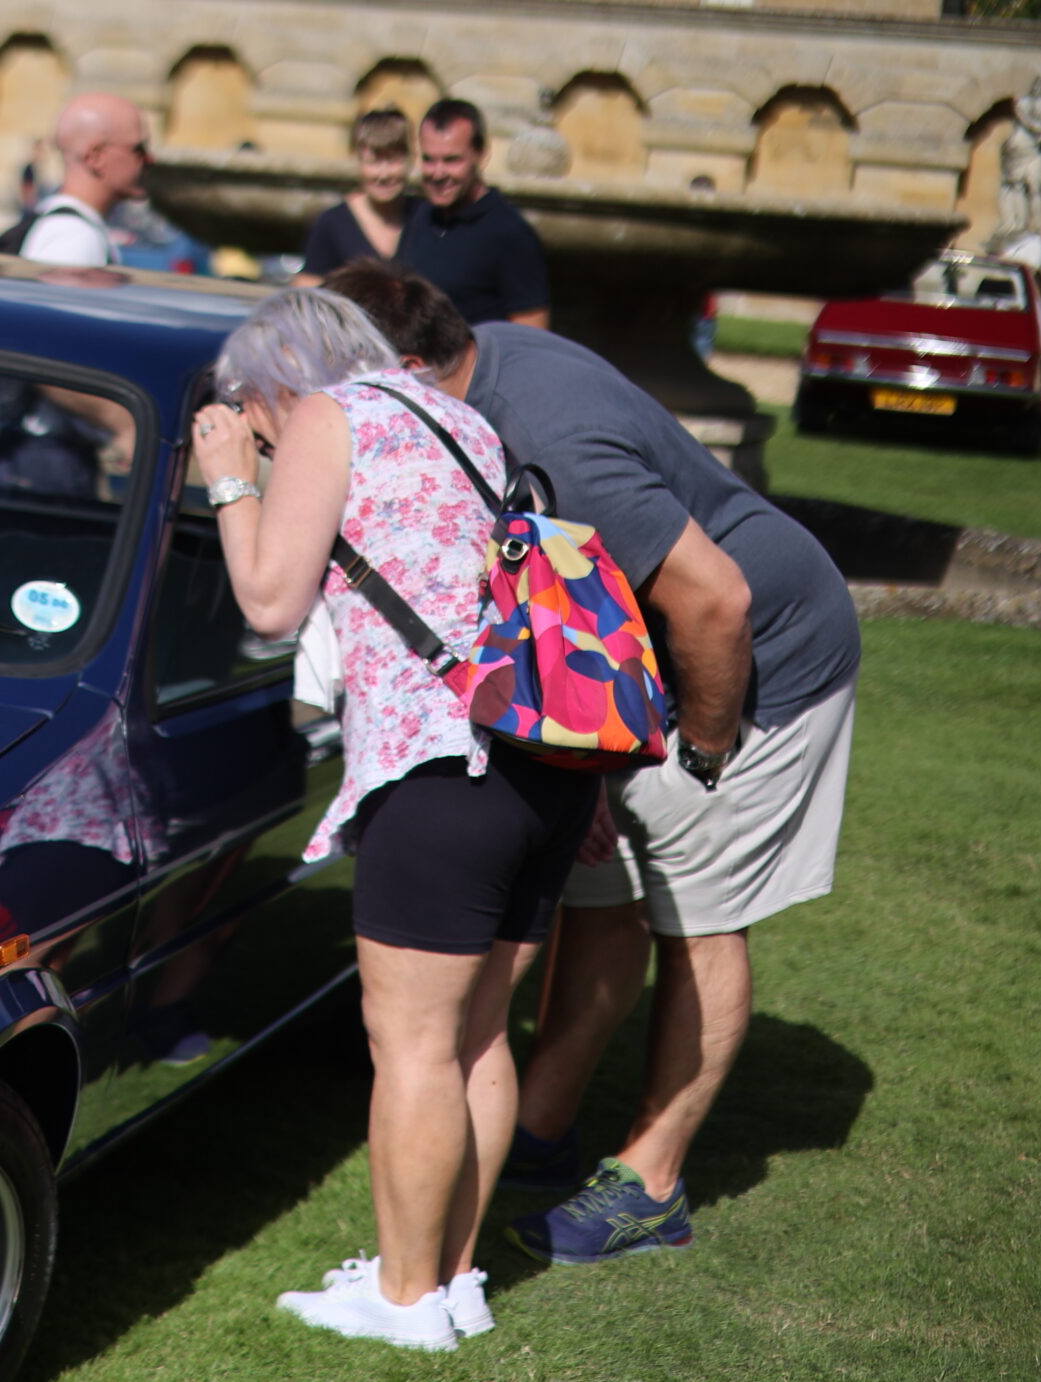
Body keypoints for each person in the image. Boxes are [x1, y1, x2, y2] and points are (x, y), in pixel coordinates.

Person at [326, 260, 862, 1266]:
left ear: (403, 366)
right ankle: (540, 1126)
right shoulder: (467, 372)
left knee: (694, 914)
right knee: (600, 885)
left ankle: (652, 1182)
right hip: (622, 668)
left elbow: (716, 601)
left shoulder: (551, 440)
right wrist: (603, 763)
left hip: (755, 661)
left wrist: (697, 751)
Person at [193, 289, 598, 1349]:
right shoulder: (455, 417)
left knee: (409, 1043)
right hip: (536, 769)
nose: (261, 432)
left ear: (273, 382)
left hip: (436, 769)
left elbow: (271, 602)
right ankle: (451, 1276)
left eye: (252, 411)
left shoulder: (328, 417)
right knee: (473, 1040)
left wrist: (231, 478)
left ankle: (406, 1299)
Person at [400, 99, 548, 327]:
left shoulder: (509, 233)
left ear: (481, 155)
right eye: (429, 159)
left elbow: (532, 337)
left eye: (452, 160)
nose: (438, 174)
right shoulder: (421, 215)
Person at [20, 93, 151, 265]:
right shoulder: (76, 239)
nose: (149, 159)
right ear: (95, 157)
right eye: (138, 149)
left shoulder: (67, 227)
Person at [293, 109, 412, 284]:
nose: (384, 174)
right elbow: (306, 292)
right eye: (373, 161)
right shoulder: (332, 223)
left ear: (411, 158)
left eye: (393, 160)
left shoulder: (424, 217)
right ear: (357, 160)